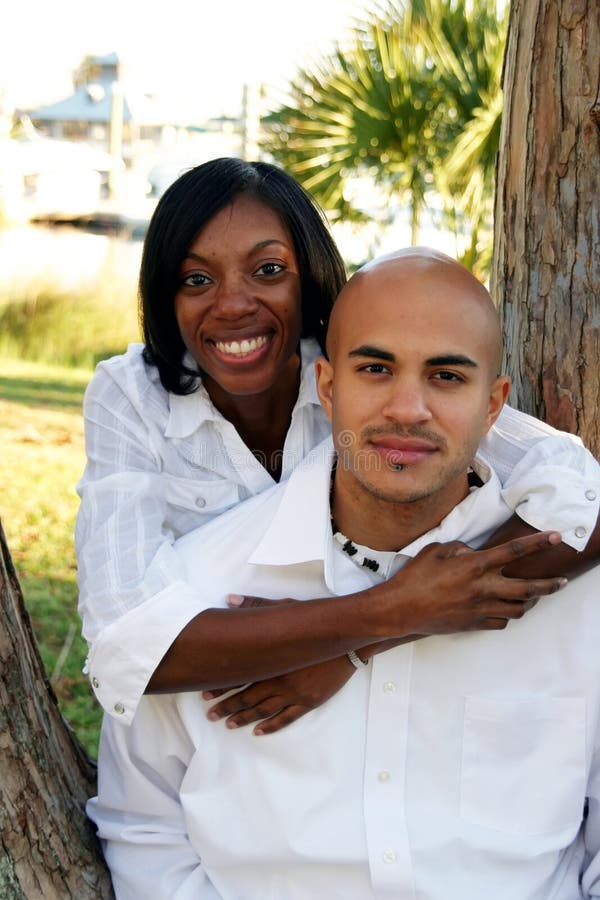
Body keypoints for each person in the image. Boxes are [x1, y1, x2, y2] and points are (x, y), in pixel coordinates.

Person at [89, 248, 600, 899]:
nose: (408, 408)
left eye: (446, 377)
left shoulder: (576, 591)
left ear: (494, 403)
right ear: (327, 387)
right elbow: (144, 829)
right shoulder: (202, 590)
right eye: (377, 369)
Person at [75, 158, 600, 730]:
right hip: (201, 728)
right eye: (196, 279)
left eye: (268, 269)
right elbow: (124, 642)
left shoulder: (360, 376)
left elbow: (581, 495)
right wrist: (382, 615)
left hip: (400, 706)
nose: (232, 304)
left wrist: (360, 647)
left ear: (311, 279)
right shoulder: (131, 396)